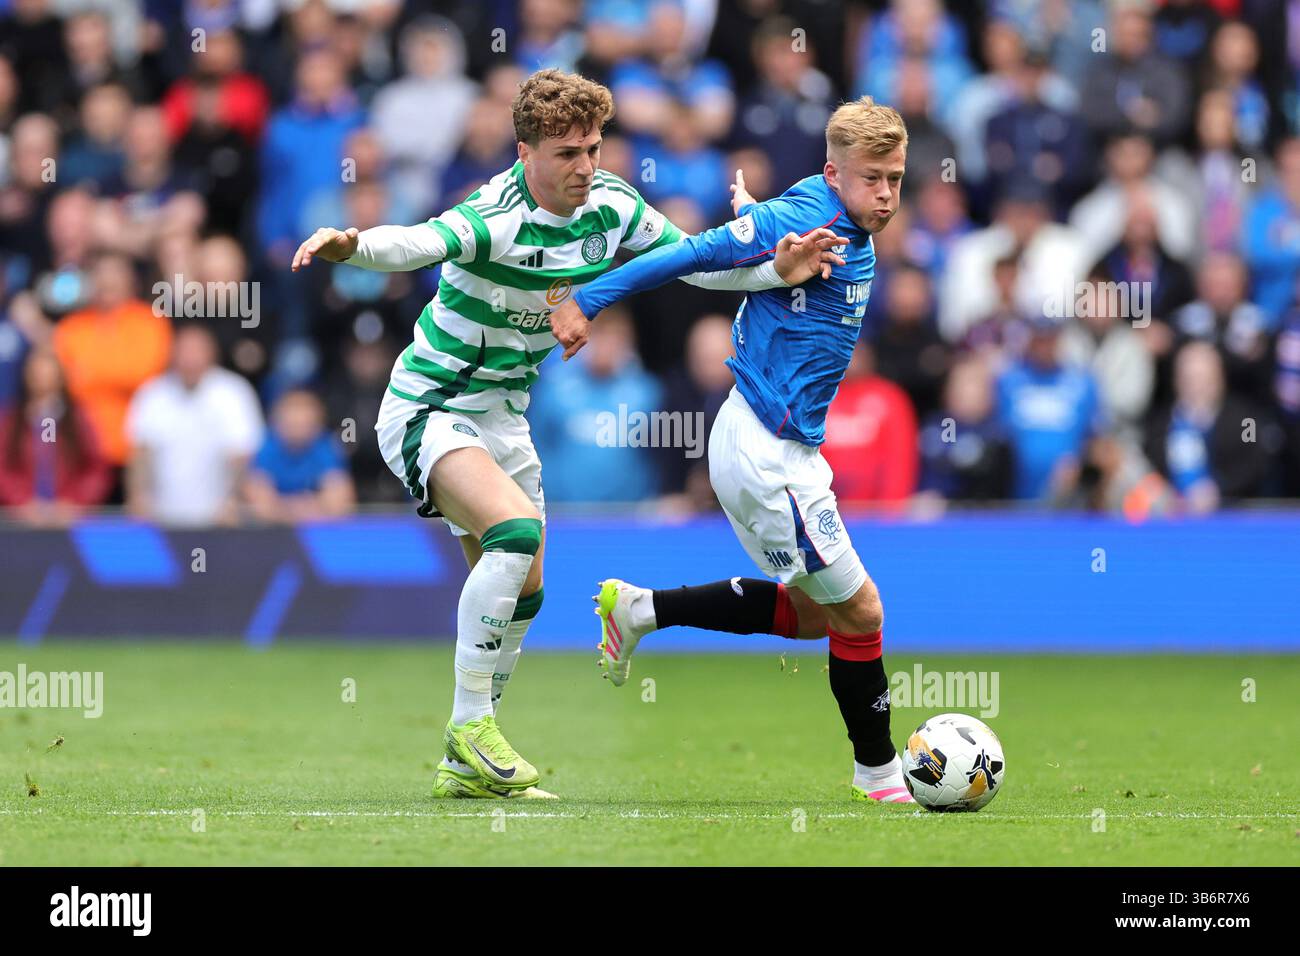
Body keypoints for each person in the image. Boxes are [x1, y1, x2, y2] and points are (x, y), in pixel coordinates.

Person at [289, 68, 841, 800]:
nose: (585, 167)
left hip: (504, 416)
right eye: (566, 153)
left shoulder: (613, 205)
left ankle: (466, 757)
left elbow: (695, 265)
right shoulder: (493, 215)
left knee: (531, 588)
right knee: (514, 536)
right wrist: (350, 244)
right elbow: (414, 242)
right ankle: (468, 728)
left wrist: (775, 269)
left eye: (593, 148)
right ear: (525, 153)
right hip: (432, 404)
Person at [549, 95, 919, 804]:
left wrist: (756, 220)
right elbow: (682, 256)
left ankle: (640, 609)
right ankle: (880, 774)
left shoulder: (824, 214)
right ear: (833, 174)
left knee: (818, 617)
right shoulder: (800, 220)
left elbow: (766, 239)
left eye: (896, 178)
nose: (886, 194)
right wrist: (588, 301)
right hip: (764, 450)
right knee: (863, 613)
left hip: (781, 448)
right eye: (872, 178)